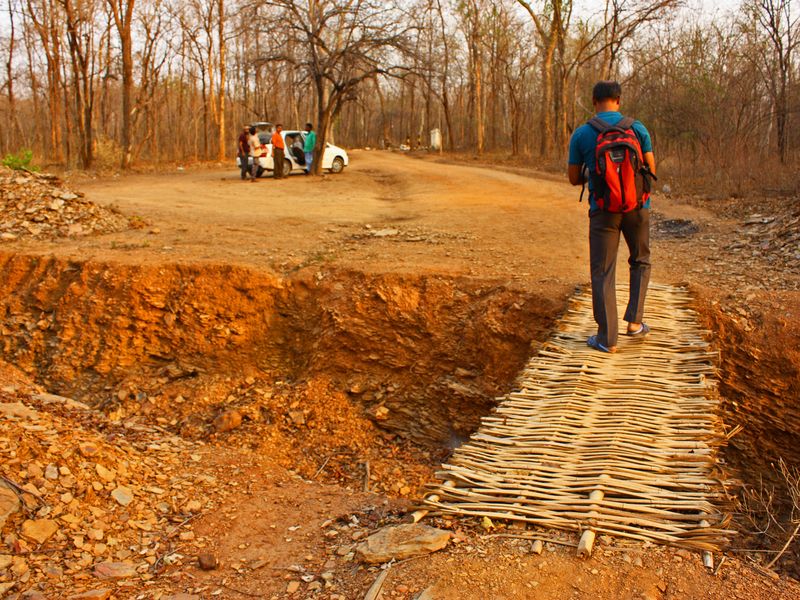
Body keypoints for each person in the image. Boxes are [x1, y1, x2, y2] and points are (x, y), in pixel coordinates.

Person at [567, 80, 656, 353]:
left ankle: (607, 338)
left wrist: (594, 174)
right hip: (637, 208)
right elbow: (651, 169)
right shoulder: (637, 128)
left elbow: (572, 178)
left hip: (603, 211)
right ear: (618, 101)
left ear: (594, 102)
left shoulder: (582, 134)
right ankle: (635, 323)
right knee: (640, 260)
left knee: (603, 271)